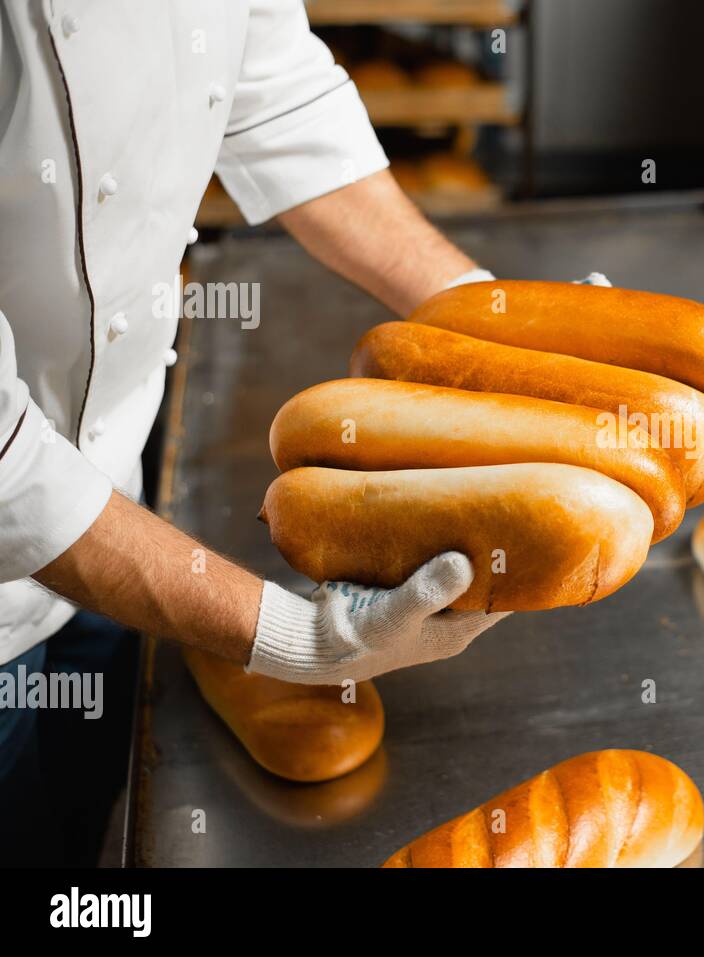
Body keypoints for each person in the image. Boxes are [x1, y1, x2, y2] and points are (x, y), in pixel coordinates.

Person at [0, 1, 520, 861]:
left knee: (100, 832)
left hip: (114, 518)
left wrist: (481, 319)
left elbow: (274, 92)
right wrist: (297, 639)